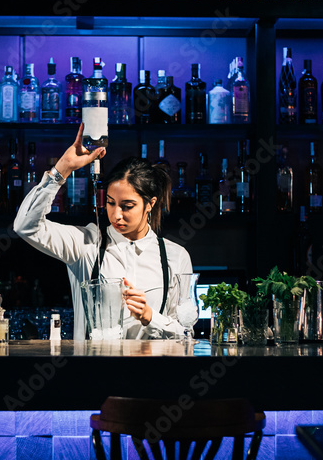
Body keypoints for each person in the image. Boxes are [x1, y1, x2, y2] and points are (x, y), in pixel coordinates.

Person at [13, 125, 194, 340]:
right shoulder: (84, 244)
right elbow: (25, 226)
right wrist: (61, 170)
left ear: (150, 204)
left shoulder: (175, 257)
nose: (116, 214)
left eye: (127, 206)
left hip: (151, 371)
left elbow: (186, 335)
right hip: (93, 371)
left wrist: (150, 316)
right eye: (110, 203)